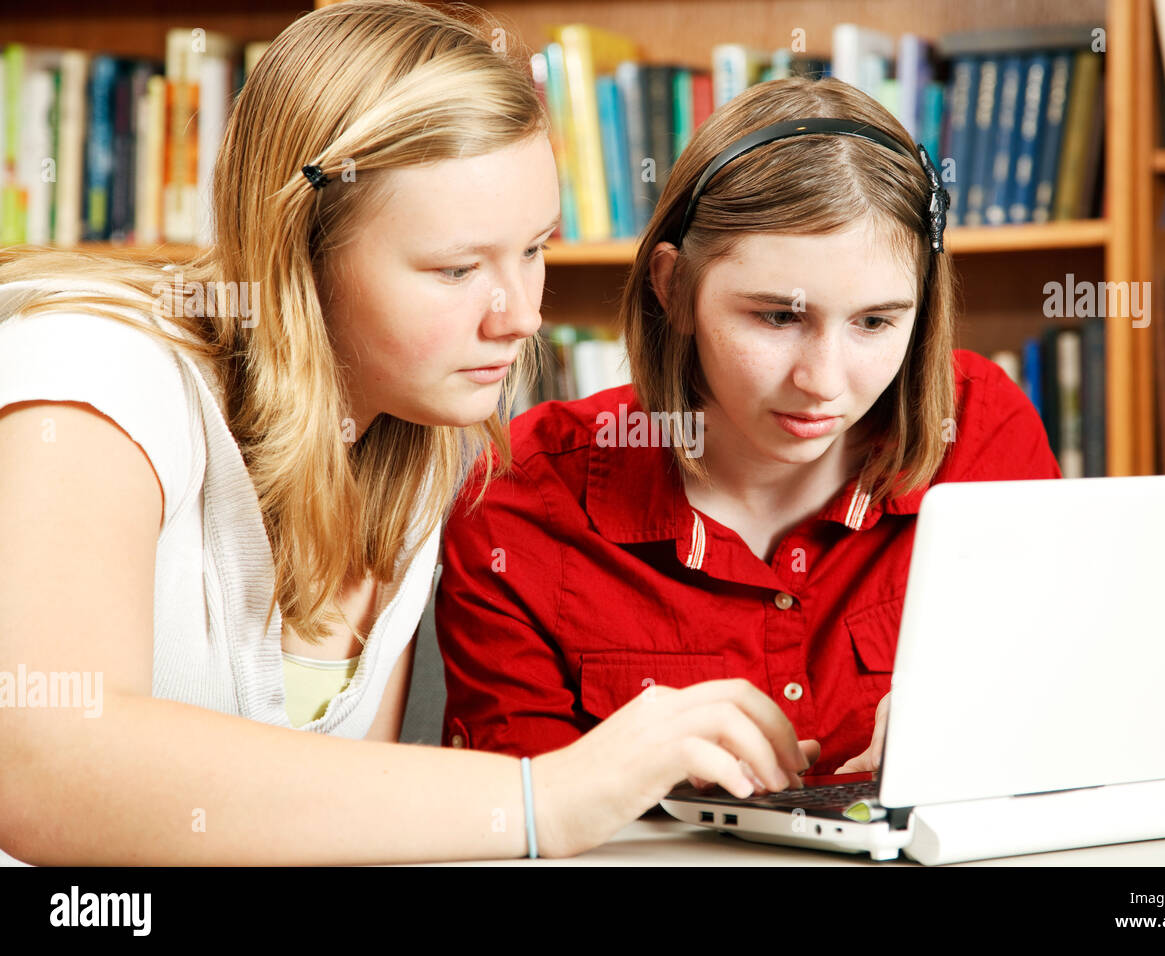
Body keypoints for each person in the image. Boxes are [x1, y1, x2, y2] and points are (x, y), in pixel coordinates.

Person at [0, 0, 811, 866]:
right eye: (457, 269)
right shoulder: (91, 374)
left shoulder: (420, 443)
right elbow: (38, 765)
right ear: (302, 252)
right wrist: (545, 799)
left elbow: (345, 821)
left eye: (533, 248)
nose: (522, 316)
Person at [434, 75, 1063, 779]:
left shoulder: (980, 429)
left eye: (876, 322)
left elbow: (1066, 695)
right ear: (674, 288)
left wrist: (995, 743)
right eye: (779, 317)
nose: (823, 381)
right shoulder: (521, 496)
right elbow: (517, 819)